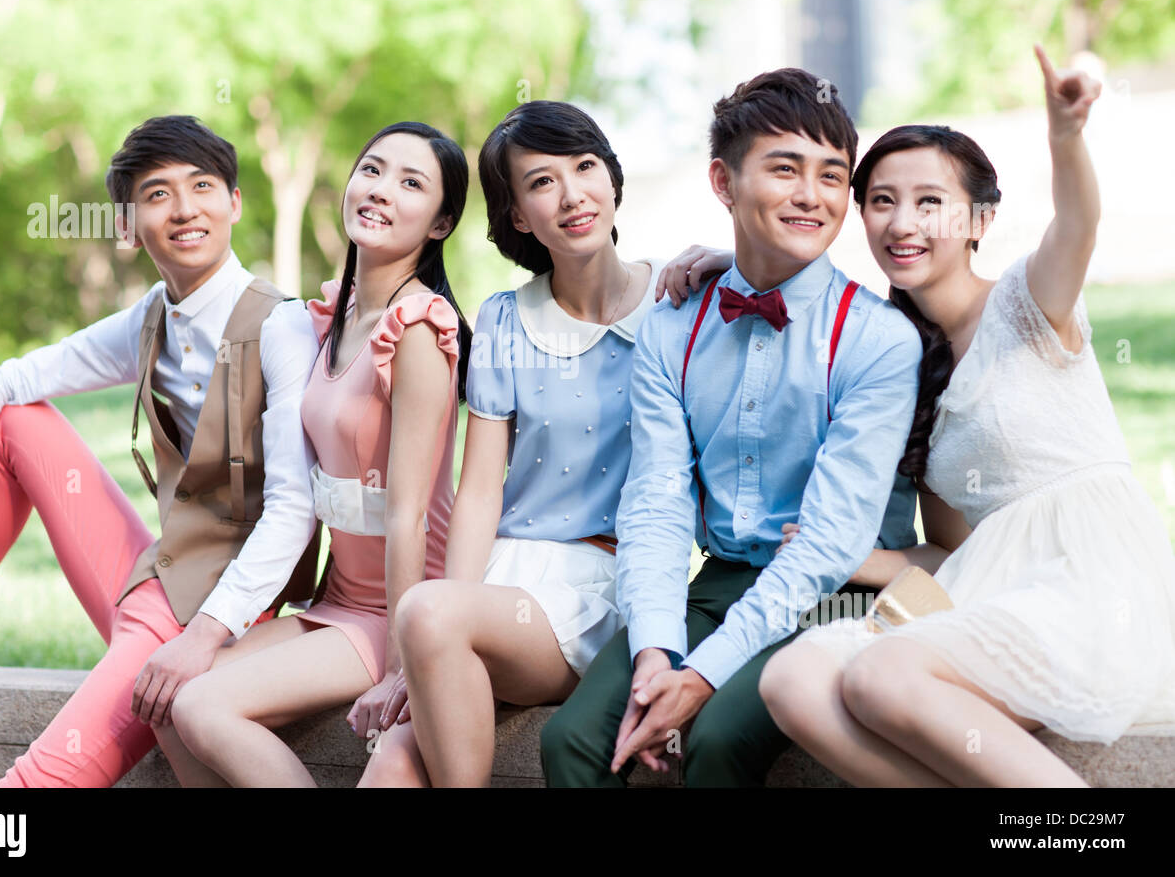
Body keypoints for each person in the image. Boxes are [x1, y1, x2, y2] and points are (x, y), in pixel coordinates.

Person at [759, 46, 1175, 786]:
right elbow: (952, 559)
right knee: (793, 682)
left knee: (883, 674)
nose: (902, 221)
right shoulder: (913, 371)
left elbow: (1078, 225)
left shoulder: (1028, 302)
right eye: (881, 200)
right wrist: (858, 563)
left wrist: (1066, 133)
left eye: (930, 201)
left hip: (1090, 584)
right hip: (987, 590)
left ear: (979, 218)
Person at [0, 116, 322, 787]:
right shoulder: (152, 318)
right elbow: (6, 382)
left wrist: (199, 639)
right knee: (17, 419)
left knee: (36, 783)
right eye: (157, 193)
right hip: (154, 579)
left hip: (216, 612)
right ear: (126, 223)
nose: (184, 208)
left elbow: (295, 511)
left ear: (233, 202)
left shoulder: (281, 327)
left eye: (202, 186)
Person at [539, 69, 923, 787]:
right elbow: (655, 506)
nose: (812, 195)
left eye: (832, 176)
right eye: (785, 169)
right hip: (714, 587)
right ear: (724, 181)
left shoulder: (878, 341)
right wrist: (656, 649)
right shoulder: (670, 327)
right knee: (571, 741)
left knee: (716, 743)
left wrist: (703, 676)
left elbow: (831, 547)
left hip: (836, 596)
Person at [357, 101, 663, 787]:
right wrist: (438, 629)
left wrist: (434, 620)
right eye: (541, 181)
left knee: (426, 614)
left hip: (599, 589)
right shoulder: (503, 318)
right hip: (493, 587)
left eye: (585, 168)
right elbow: (479, 491)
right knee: (392, 763)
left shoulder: (676, 302)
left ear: (612, 180)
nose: (572, 194)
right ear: (519, 214)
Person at [164, 121, 470, 786]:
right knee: (167, 695)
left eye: (411, 183)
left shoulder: (418, 328)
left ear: (441, 223)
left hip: (399, 611)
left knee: (201, 702)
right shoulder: (334, 316)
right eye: (373, 169)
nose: (383, 190)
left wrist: (402, 668)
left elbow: (408, 514)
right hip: (338, 601)